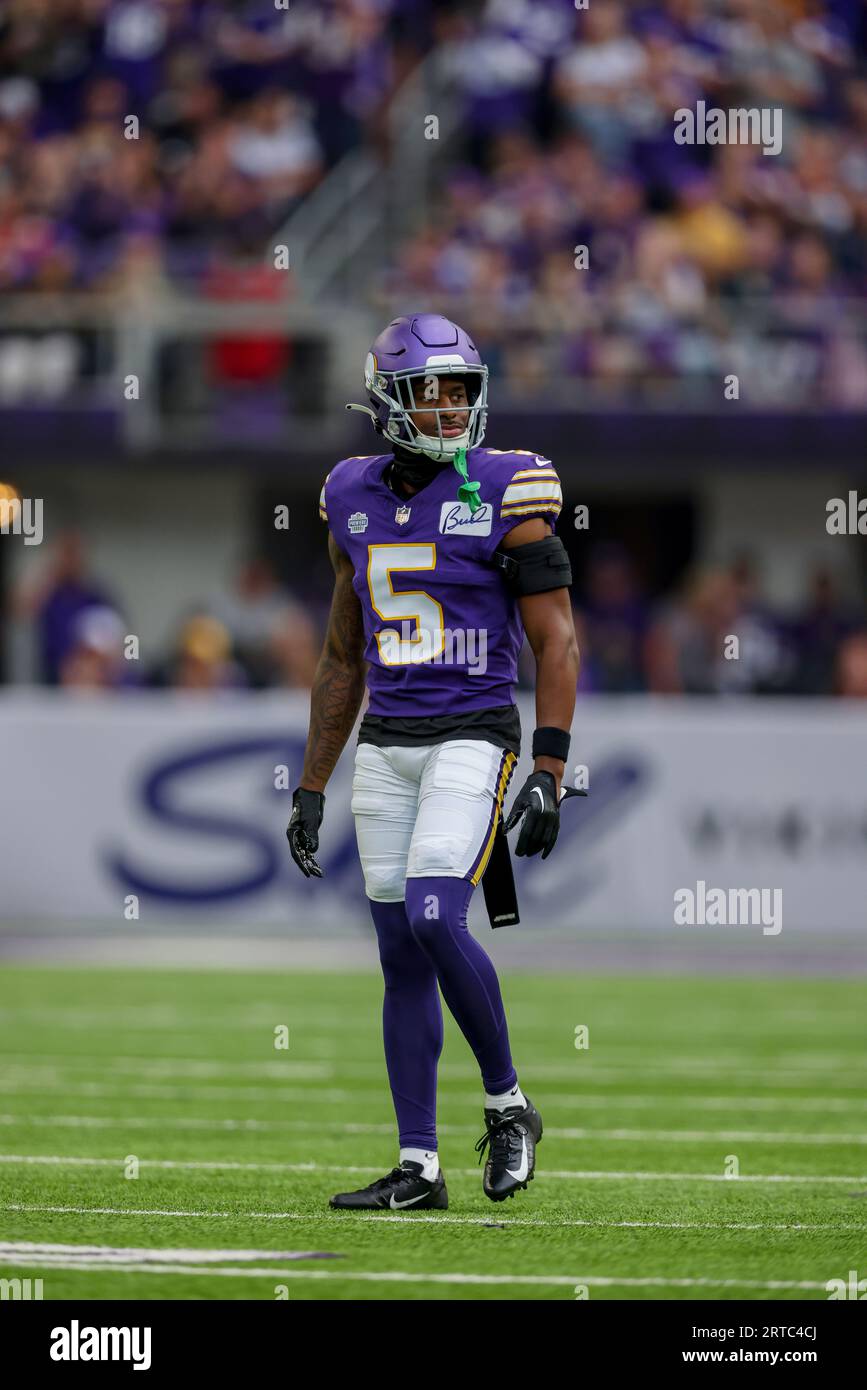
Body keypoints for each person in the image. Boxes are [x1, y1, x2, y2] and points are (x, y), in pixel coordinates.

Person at [286, 313, 580, 1210]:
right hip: (384, 745)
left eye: (461, 389)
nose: (451, 408)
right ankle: (418, 1166)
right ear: (386, 399)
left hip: (471, 733)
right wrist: (310, 784)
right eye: (430, 391)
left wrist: (548, 767)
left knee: (430, 914)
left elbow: (556, 640)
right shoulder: (347, 492)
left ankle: (508, 1104)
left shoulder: (509, 487)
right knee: (398, 957)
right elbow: (344, 656)